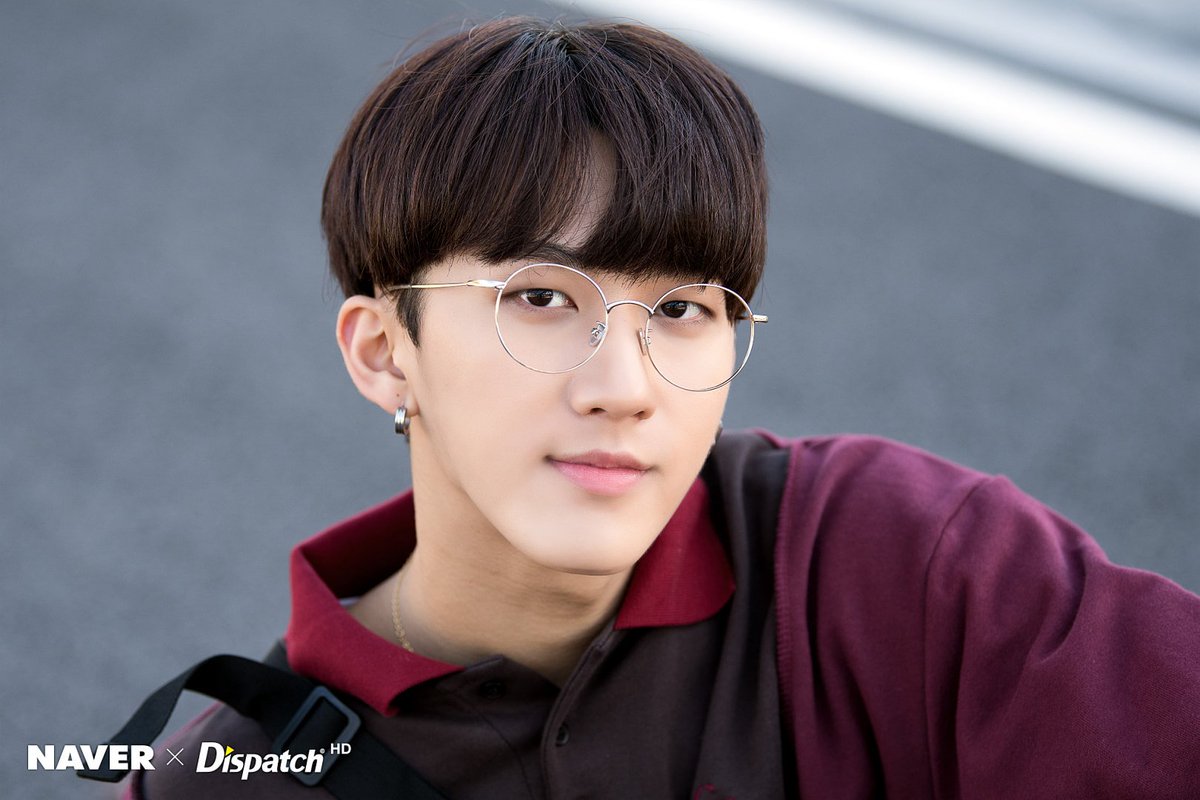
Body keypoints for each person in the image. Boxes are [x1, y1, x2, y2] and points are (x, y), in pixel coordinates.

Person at [87, 16, 1199, 799]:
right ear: (386, 353)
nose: (622, 388)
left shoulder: (885, 559)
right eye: (539, 298)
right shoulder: (224, 782)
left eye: (680, 309)